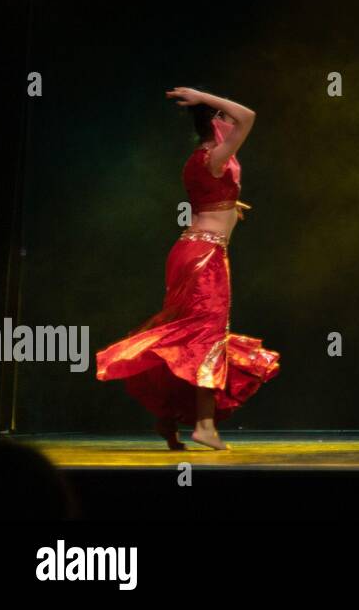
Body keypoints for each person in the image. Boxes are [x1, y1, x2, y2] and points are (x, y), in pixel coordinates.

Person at [96, 88, 280, 450]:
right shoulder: (215, 155)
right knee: (206, 337)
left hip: (189, 251)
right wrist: (202, 96)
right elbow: (249, 115)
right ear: (215, 121)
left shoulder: (199, 159)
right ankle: (205, 426)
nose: (232, 122)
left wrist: (231, 205)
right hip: (206, 256)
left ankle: (168, 420)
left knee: (183, 334)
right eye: (223, 117)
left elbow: (208, 200)